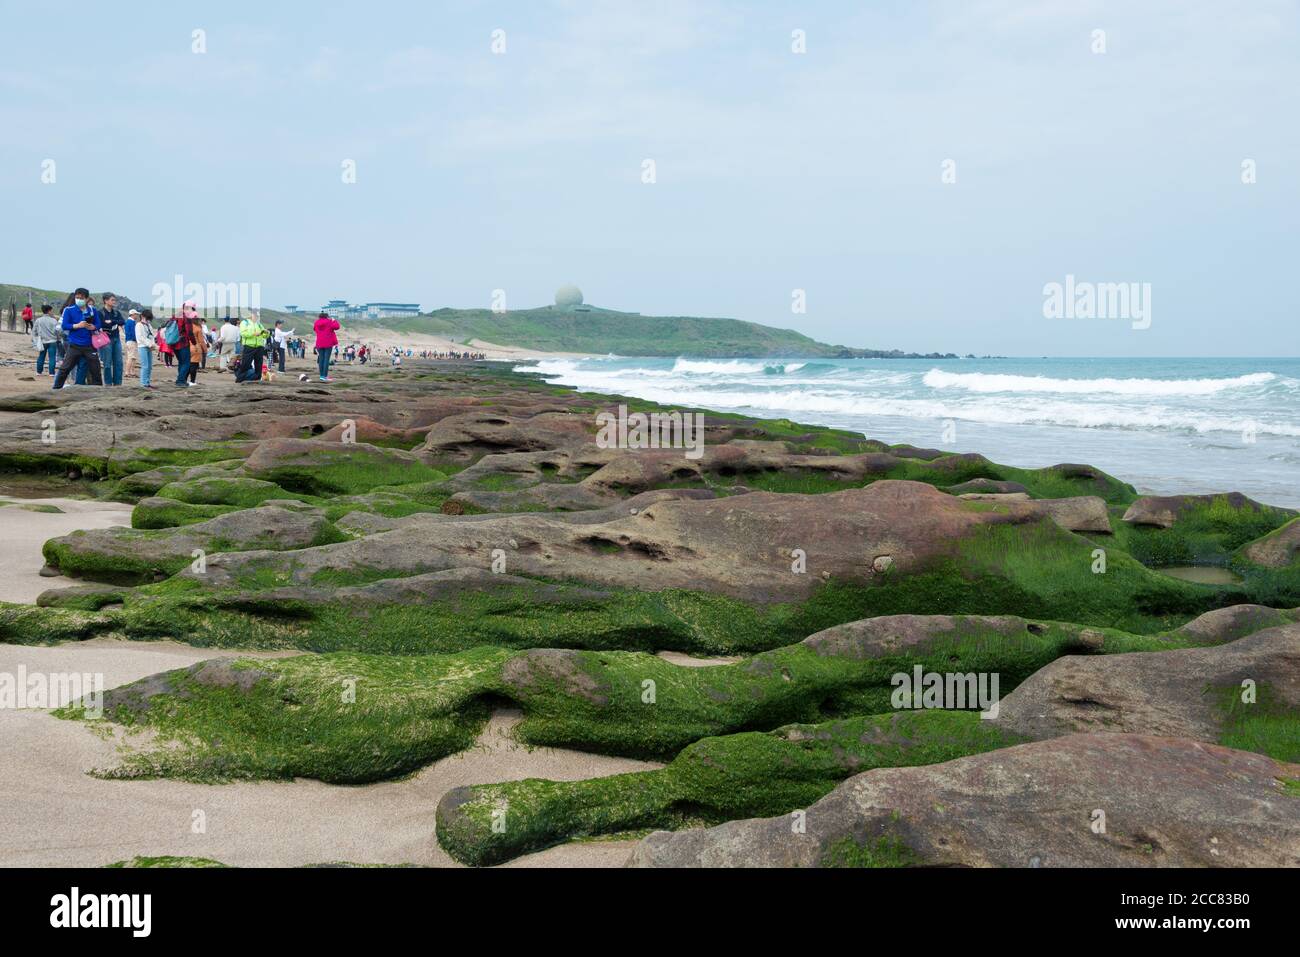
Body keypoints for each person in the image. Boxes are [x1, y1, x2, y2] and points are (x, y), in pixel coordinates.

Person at [52, 288, 104, 388]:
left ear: (86, 298)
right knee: (65, 368)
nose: (79, 299)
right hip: (74, 344)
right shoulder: (69, 310)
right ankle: (56, 389)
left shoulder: (93, 310)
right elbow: (64, 326)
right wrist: (77, 325)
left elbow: (98, 324)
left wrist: (93, 327)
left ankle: (98, 390)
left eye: (81, 298)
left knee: (95, 369)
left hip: (90, 345)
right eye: (77, 297)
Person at [98, 293, 125, 386]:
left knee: (119, 362)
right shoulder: (100, 312)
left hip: (116, 338)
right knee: (107, 363)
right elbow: (101, 324)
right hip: (106, 339)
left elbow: (122, 321)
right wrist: (110, 323)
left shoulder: (116, 313)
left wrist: (112, 321)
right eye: (112, 300)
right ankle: (108, 384)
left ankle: (118, 383)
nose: (114, 302)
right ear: (106, 301)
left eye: (114, 300)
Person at [236, 311, 269, 382]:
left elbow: (264, 336)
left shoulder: (259, 324)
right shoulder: (245, 322)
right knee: (246, 364)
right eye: (255, 315)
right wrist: (254, 333)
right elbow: (243, 333)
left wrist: (266, 333)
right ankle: (240, 379)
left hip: (259, 346)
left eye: (258, 316)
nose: (257, 317)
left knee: (259, 364)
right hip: (249, 346)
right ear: (251, 315)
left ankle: (257, 378)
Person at [312, 311, 340, 382]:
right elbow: (337, 327)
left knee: (321, 359)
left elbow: (314, 329)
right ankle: (325, 376)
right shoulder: (329, 321)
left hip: (319, 343)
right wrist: (334, 320)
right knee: (326, 360)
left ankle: (321, 376)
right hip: (328, 343)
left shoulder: (316, 322)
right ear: (326, 316)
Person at [33, 305, 59, 375]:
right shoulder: (54, 320)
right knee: (52, 357)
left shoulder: (38, 320)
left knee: (41, 356)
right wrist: (58, 338)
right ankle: (51, 373)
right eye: (51, 310)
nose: (52, 312)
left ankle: (39, 371)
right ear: (49, 311)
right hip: (52, 341)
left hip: (42, 341)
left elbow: (34, 331)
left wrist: (35, 339)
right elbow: (57, 331)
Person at [135, 308, 157, 389]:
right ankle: (143, 383)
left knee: (150, 366)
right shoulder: (138, 325)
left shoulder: (148, 325)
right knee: (145, 366)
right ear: (142, 316)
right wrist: (149, 344)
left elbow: (152, 336)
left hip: (149, 347)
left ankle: (147, 382)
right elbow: (140, 338)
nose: (148, 320)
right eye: (147, 318)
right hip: (142, 347)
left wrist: (152, 344)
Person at [123, 309, 139, 379]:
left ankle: (132, 372)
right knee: (131, 357)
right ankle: (127, 372)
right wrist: (137, 340)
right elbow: (133, 333)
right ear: (132, 314)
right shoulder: (132, 322)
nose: (137, 315)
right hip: (131, 341)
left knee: (131, 357)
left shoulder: (128, 321)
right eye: (136, 314)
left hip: (128, 341)